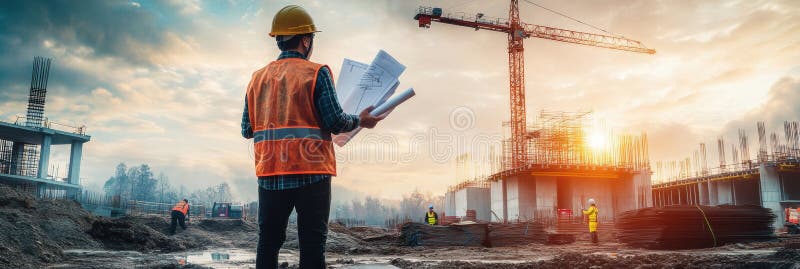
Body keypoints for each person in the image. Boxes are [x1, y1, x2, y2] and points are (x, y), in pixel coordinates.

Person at [241, 5, 385, 268]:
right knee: (312, 245)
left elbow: (246, 129)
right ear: (306, 40)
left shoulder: (257, 79)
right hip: (312, 173)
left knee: (268, 242)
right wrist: (361, 120)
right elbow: (335, 121)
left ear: (279, 39)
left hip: (270, 173)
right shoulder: (316, 73)